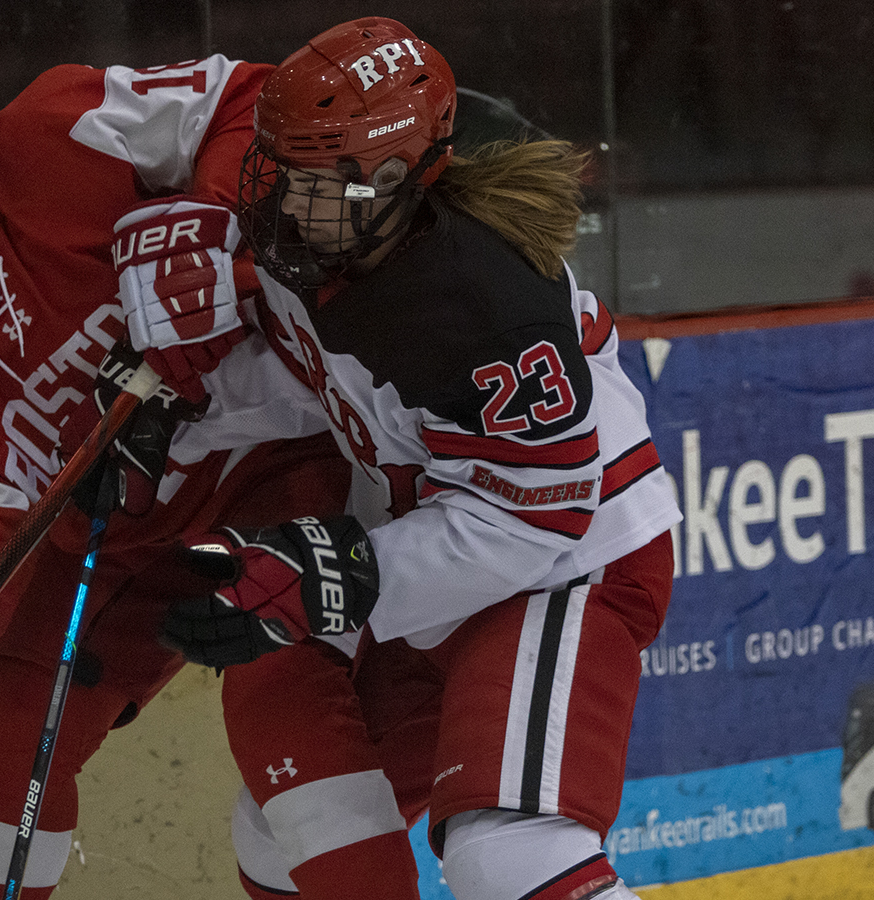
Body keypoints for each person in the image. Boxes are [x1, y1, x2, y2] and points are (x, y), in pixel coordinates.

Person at [0, 39, 419, 899]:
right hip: (111, 539)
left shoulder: (66, 128)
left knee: (285, 714)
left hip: (271, 467)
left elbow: (251, 102)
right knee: (3, 740)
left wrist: (206, 220)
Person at [134, 18, 683, 900]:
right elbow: (326, 376)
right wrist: (182, 417)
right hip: (454, 564)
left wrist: (348, 571)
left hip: (569, 563)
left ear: (390, 181)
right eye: (277, 168)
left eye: (309, 181)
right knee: (287, 833)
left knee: (506, 852)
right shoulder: (331, 234)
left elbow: (536, 515)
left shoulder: (481, 305)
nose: (276, 199)